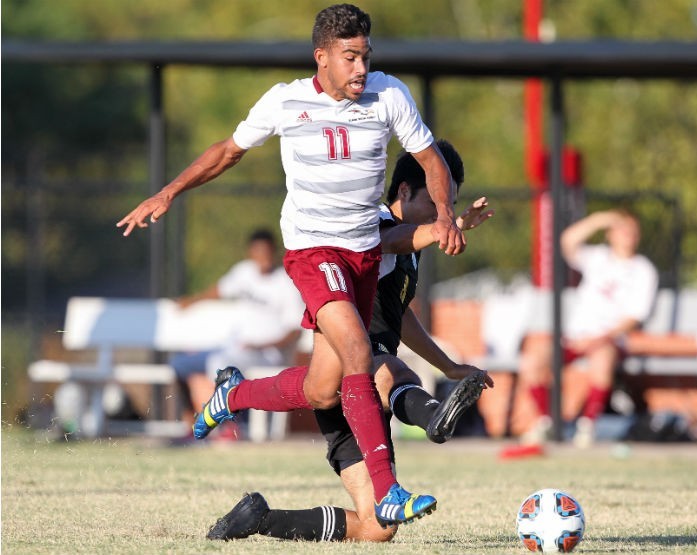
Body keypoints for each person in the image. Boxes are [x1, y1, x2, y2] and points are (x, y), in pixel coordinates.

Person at [116, 3, 465, 528]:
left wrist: (446, 216)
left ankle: (232, 394)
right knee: (358, 350)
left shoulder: (389, 94)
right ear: (321, 56)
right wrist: (168, 191)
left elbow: (432, 160)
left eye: (365, 56)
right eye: (349, 57)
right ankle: (389, 487)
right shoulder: (286, 101)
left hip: (363, 255)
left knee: (323, 388)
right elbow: (226, 152)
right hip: (313, 251)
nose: (361, 69)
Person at [205, 140, 495, 543]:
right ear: (405, 192)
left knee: (378, 529)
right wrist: (449, 227)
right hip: (358, 371)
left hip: (359, 403)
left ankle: (259, 520)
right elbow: (389, 241)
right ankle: (432, 417)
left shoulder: (415, 244)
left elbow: (402, 315)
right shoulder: (370, 220)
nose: (442, 211)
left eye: (450, 203)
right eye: (436, 201)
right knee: (384, 368)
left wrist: (447, 366)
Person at [511, 209, 658, 450]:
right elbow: (566, 241)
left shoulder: (643, 270)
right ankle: (548, 422)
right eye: (622, 230)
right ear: (610, 234)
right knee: (533, 360)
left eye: (632, 231)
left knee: (603, 359)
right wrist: (600, 219)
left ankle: (587, 427)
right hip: (574, 337)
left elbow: (634, 317)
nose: (627, 236)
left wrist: (600, 338)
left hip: (608, 340)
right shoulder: (597, 257)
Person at [168, 228, 304, 430]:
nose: (263, 258)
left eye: (266, 252)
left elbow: (295, 331)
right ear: (250, 253)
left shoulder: (286, 283)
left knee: (222, 364)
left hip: (268, 354)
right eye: (258, 252)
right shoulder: (244, 272)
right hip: (236, 348)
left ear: (274, 252)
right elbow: (221, 290)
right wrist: (192, 301)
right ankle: (190, 421)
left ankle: (231, 427)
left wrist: (260, 344)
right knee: (179, 364)